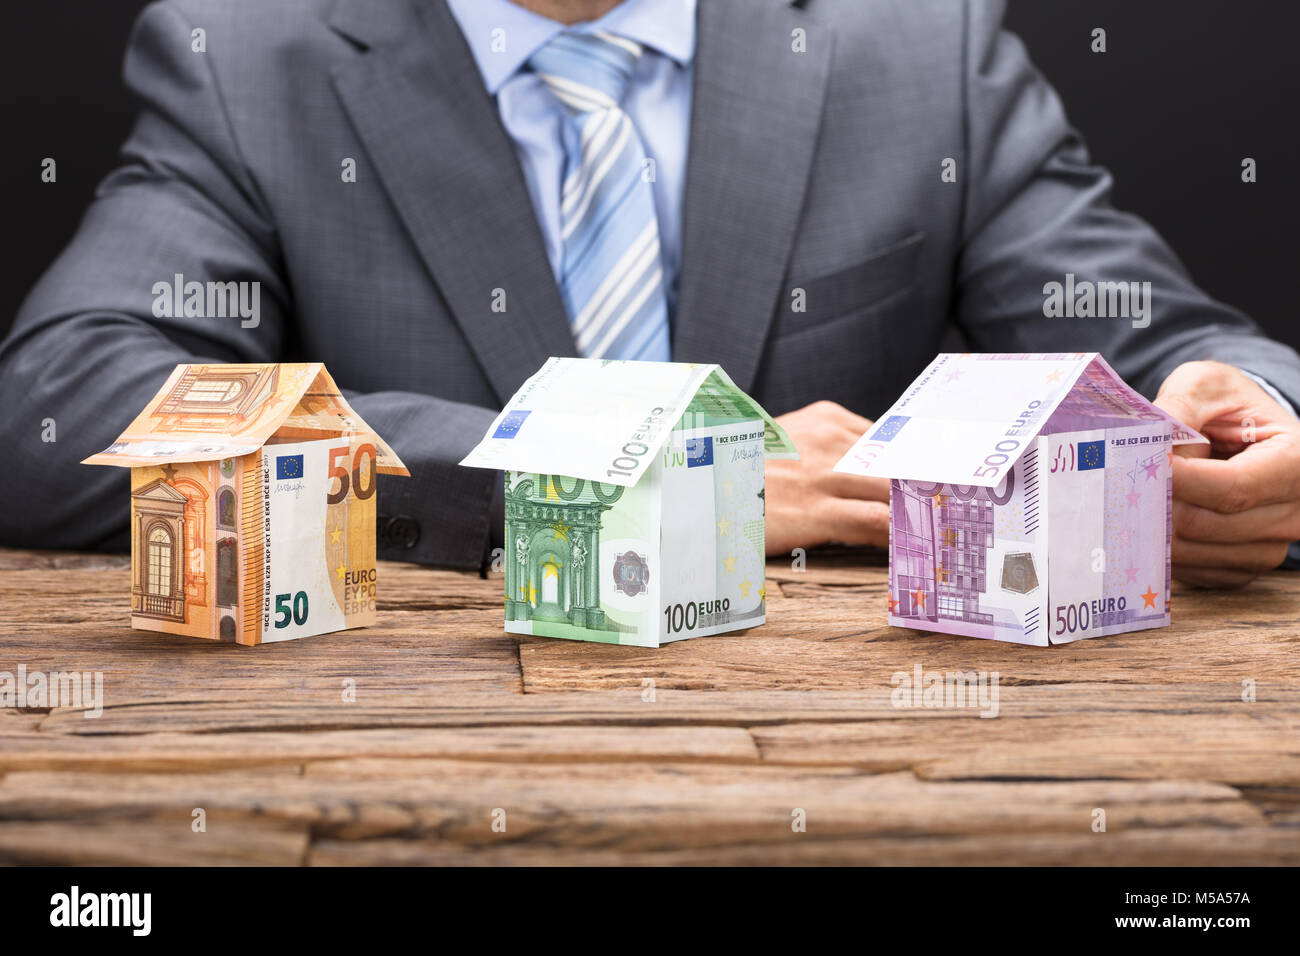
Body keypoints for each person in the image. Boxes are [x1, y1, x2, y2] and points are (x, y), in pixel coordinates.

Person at [2, 0, 1298, 589]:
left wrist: (1258, 416)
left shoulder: (922, 48)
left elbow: (1164, 339)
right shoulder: (248, 52)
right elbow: (62, 411)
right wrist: (648, 470)